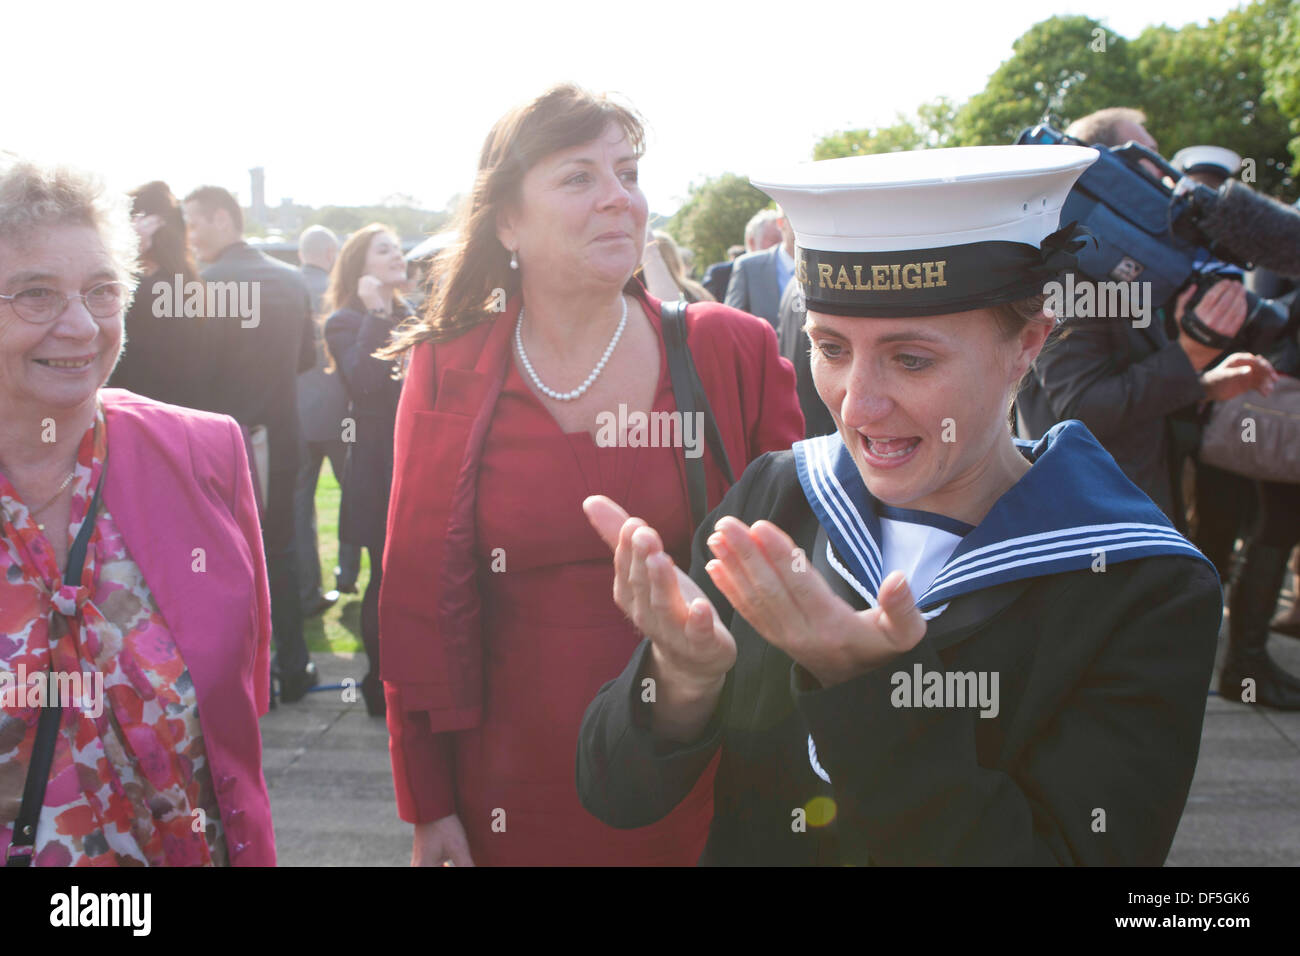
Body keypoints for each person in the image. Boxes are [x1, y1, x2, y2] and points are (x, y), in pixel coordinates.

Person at [578, 146, 1225, 865]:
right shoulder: (779, 495)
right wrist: (679, 680)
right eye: (830, 347)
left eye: (912, 358)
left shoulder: (1139, 581)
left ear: (1028, 346)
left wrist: (866, 690)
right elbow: (615, 794)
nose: (858, 404)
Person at [378, 84, 803, 866]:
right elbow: (414, 601)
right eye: (579, 177)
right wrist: (427, 803)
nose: (619, 200)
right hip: (506, 782)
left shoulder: (729, 350)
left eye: (629, 174)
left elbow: (803, 566)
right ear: (507, 219)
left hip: (698, 766)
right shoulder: (447, 368)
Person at [0, 154, 274, 866]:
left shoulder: (204, 454)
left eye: (101, 292)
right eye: (35, 293)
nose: (81, 327)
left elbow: (240, 711)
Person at [181, 186, 319, 702]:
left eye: (193, 223)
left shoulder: (204, 284)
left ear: (221, 219)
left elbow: (193, 374)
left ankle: (237, 674)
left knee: (218, 557)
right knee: (279, 553)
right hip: (281, 438)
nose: (189, 236)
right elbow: (306, 359)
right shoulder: (289, 279)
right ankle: (293, 666)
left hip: (220, 444)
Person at [322, 224, 410, 718]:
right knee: (385, 573)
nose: (397, 254)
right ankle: (378, 687)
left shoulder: (413, 315)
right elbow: (365, 380)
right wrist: (376, 312)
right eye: (384, 249)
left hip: (418, 457)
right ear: (361, 266)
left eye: (397, 247)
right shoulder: (346, 320)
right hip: (377, 464)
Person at [294, 224, 356, 613]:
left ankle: (306, 592)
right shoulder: (341, 293)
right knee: (354, 497)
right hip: (341, 411)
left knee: (299, 508)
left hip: (296, 412)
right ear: (332, 253)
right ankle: (347, 575)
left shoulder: (284, 290)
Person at [106, 181, 208, 408]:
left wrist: (125, 252)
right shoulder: (192, 287)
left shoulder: (136, 292)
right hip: (180, 420)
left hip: (133, 420)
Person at [725, 207, 796, 329]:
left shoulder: (823, 268)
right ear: (781, 222)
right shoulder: (748, 267)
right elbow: (731, 324)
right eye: (796, 216)